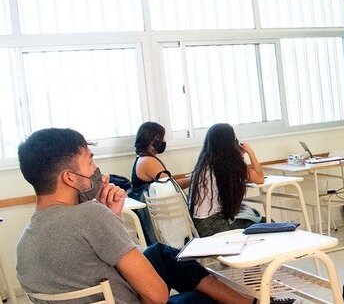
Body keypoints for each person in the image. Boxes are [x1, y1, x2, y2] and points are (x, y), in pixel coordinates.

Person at [15, 128, 262, 304]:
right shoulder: (90, 215)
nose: (96, 170)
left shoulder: (25, 241)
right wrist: (103, 215)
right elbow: (157, 296)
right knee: (201, 298)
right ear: (69, 178)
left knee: (161, 253)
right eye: (90, 162)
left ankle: (246, 301)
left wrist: (109, 216)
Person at [189, 123, 265, 237]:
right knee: (265, 222)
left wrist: (240, 157)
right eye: (234, 138)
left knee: (254, 216)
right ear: (229, 142)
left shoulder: (205, 164)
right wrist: (250, 152)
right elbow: (260, 178)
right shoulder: (230, 164)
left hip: (199, 225)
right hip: (214, 225)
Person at [130, 121, 188, 244]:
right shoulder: (148, 161)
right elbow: (170, 185)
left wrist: (189, 175)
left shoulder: (143, 158)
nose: (164, 141)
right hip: (152, 220)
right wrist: (194, 180)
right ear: (151, 139)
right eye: (161, 138)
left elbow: (169, 179)